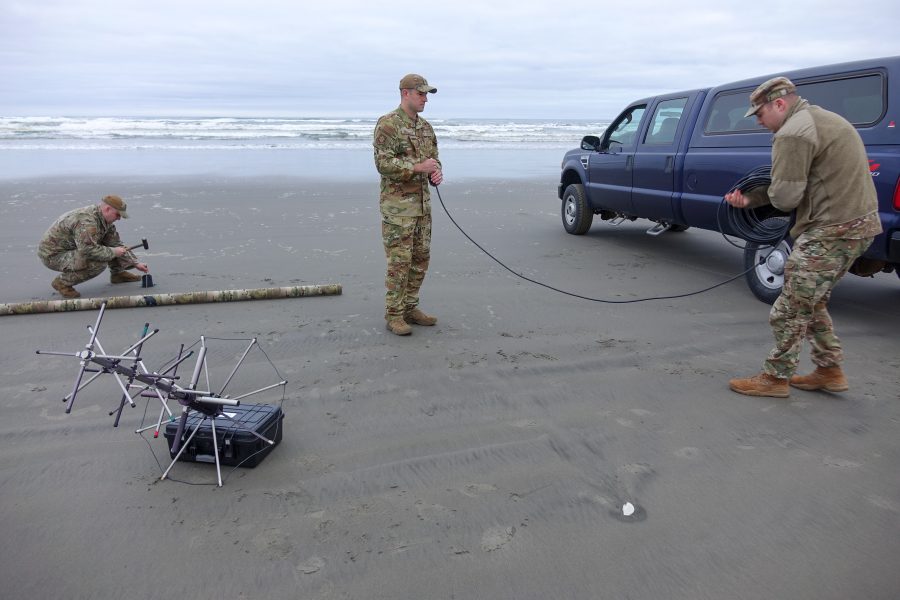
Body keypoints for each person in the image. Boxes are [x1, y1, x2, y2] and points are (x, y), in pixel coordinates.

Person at [724, 77, 882, 398]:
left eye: (759, 114)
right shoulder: (820, 119)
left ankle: (775, 378)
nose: (759, 121)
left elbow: (785, 199)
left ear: (779, 104)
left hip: (832, 229)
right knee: (812, 301)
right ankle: (829, 370)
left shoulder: (793, 133)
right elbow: (797, 184)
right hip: (859, 226)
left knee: (789, 308)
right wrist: (752, 199)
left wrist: (758, 196)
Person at [373, 73, 444, 336]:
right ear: (406, 93)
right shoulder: (388, 125)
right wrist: (417, 167)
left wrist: (436, 172)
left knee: (420, 259)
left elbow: (434, 159)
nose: (425, 98)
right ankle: (394, 314)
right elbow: (383, 164)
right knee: (399, 262)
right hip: (398, 209)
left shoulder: (425, 128)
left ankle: (410, 307)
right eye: (421, 93)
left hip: (423, 207)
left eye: (426, 94)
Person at [38, 195, 150, 299]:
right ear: (107, 209)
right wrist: (114, 252)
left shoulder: (104, 220)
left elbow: (115, 243)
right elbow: (88, 250)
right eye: (118, 215)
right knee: (99, 262)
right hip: (53, 255)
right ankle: (62, 283)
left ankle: (118, 274)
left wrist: (135, 263)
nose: (119, 218)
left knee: (109, 248)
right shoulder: (87, 222)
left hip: (73, 249)